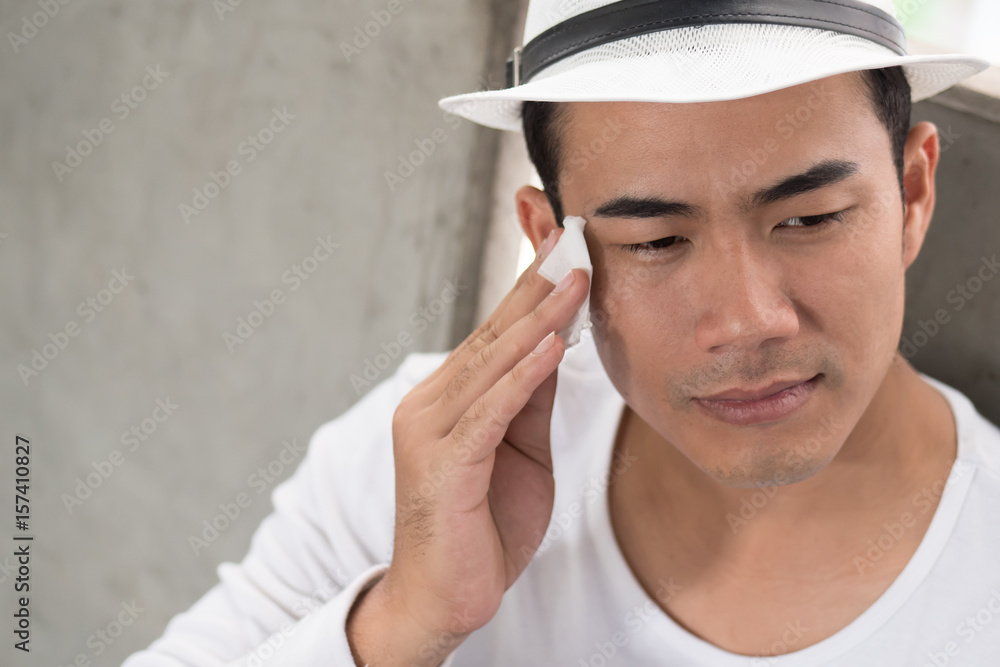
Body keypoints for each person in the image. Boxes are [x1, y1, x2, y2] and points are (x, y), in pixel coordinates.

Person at [123, 1, 1000, 665]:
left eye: (809, 219)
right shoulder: (438, 466)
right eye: (656, 240)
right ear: (552, 242)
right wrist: (400, 624)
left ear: (913, 195)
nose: (748, 321)